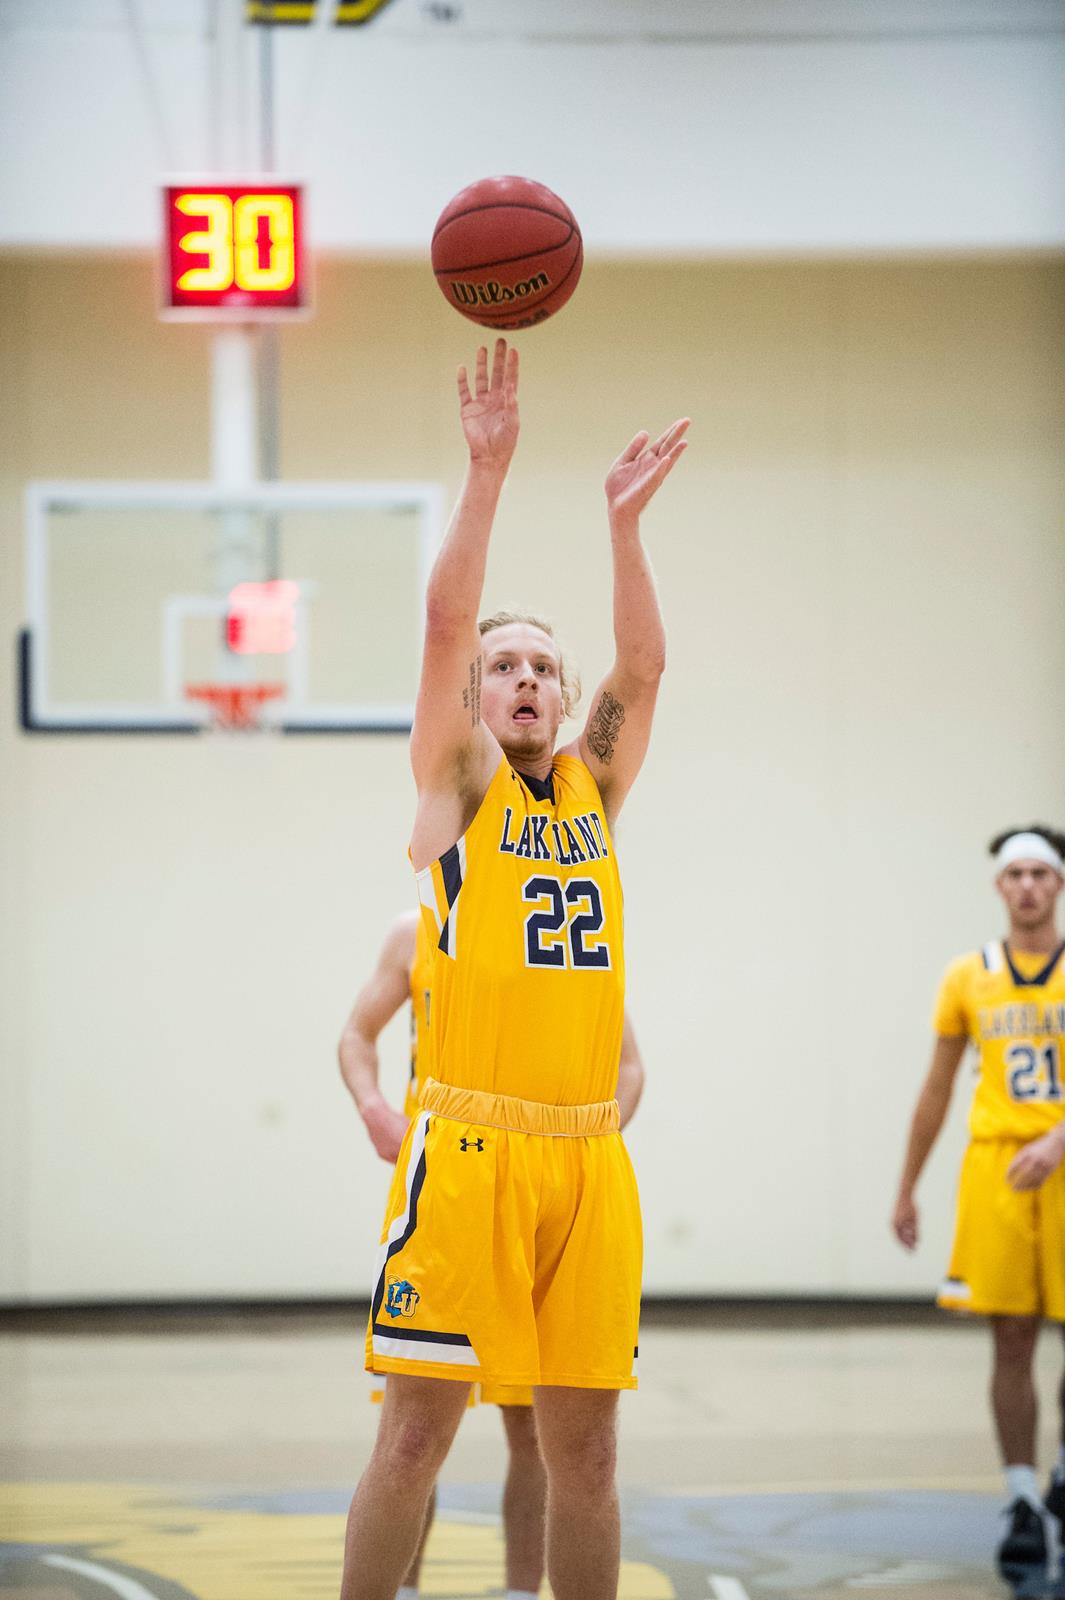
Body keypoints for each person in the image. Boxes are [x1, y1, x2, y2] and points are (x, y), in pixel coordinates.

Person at [338, 338, 687, 1600]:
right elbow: (444, 619)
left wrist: (622, 527)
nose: (528, 677)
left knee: (584, 1453)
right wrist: (486, 473)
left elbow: (643, 670)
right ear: (477, 700)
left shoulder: (595, 789)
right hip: (469, 1150)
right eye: (507, 666)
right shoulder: (458, 788)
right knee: (418, 1435)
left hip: (588, 1156)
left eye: (545, 664)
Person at [337, 908, 646, 1600]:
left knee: (541, 1431)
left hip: (546, 1176)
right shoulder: (413, 929)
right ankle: (405, 1588)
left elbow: (629, 1064)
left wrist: (586, 1148)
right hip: (448, 1179)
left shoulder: (559, 925)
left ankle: (517, 1592)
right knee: (417, 1435)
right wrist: (373, 1108)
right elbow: (356, 1035)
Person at [892, 825, 1065, 1579]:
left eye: (1039, 873)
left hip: (1057, 1159)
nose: (1026, 885)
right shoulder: (969, 975)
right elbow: (936, 1088)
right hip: (996, 1169)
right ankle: (1023, 1496)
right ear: (998, 886)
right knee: (1011, 1340)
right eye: (1014, 874)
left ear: (1057, 885)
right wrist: (906, 1185)